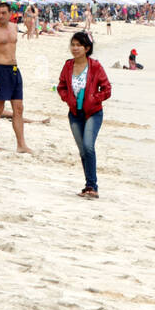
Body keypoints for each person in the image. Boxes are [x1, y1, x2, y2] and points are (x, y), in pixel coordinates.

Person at [56, 32, 112, 198]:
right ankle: (89, 185)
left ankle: (93, 186)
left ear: (87, 48)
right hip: (74, 114)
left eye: (79, 45)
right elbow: (61, 87)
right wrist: (68, 99)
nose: (75, 48)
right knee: (82, 151)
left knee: (88, 146)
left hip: (93, 113)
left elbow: (107, 89)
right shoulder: (68, 66)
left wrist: (94, 98)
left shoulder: (95, 66)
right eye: (73, 44)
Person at [0, 0, 31, 154]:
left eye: (4, 13)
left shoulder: (14, 27)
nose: (1, 16)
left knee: (18, 108)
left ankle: (21, 144)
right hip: (0, 70)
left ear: (10, 14)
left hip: (14, 70)